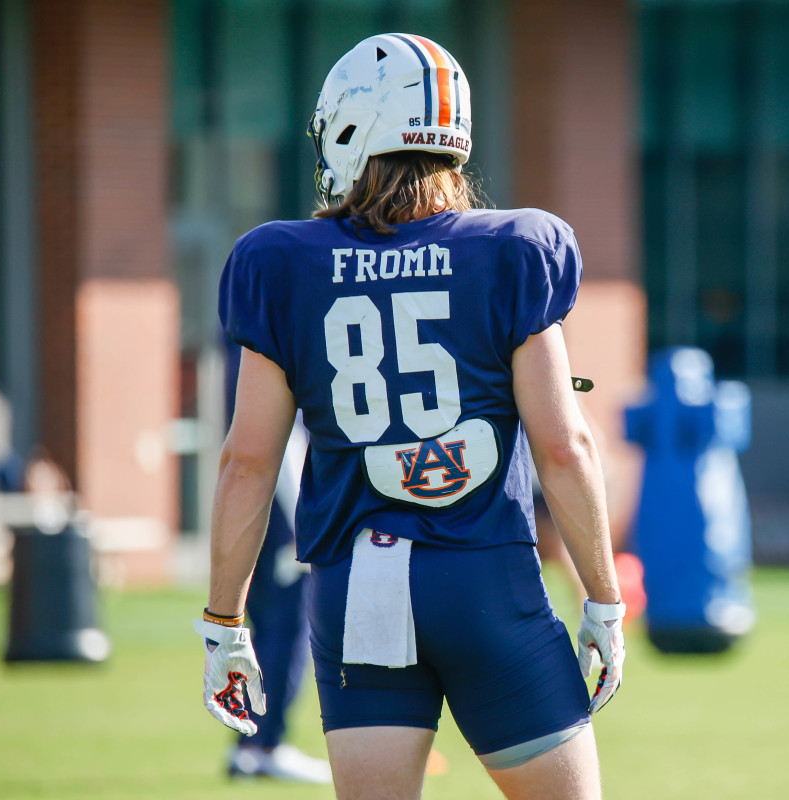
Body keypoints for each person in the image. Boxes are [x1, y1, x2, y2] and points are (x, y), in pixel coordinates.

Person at [194, 33, 624, 800]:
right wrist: (603, 599)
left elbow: (247, 462)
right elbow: (565, 447)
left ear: (353, 132)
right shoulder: (516, 248)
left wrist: (224, 619)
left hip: (359, 586)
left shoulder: (280, 261)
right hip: (487, 576)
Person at [221, 342, 331, 783]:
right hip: (279, 514)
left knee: (264, 629)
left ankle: (249, 741)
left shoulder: (238, 348)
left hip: (255, 510)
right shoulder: (269, 346)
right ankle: (264, 743)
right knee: (287, 629)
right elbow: (280, 442)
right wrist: (298, 522)